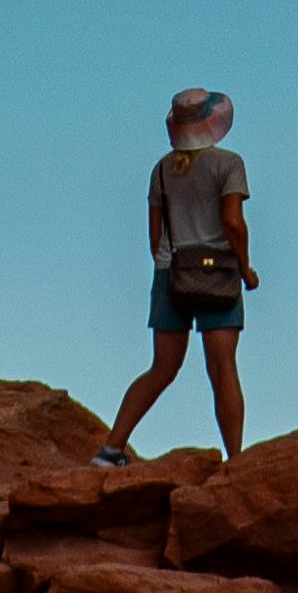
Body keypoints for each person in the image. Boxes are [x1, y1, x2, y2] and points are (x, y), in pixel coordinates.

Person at [102, 88, 257, 467]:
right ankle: (235, 460)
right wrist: (246, 268)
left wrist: (168, 265)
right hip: (218, 274)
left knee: (162, 368)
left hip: (171, 273)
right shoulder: (229, 164)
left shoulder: (161, 170)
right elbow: (233, 223)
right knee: (222, 369)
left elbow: (155, 236)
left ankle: (111, 450)